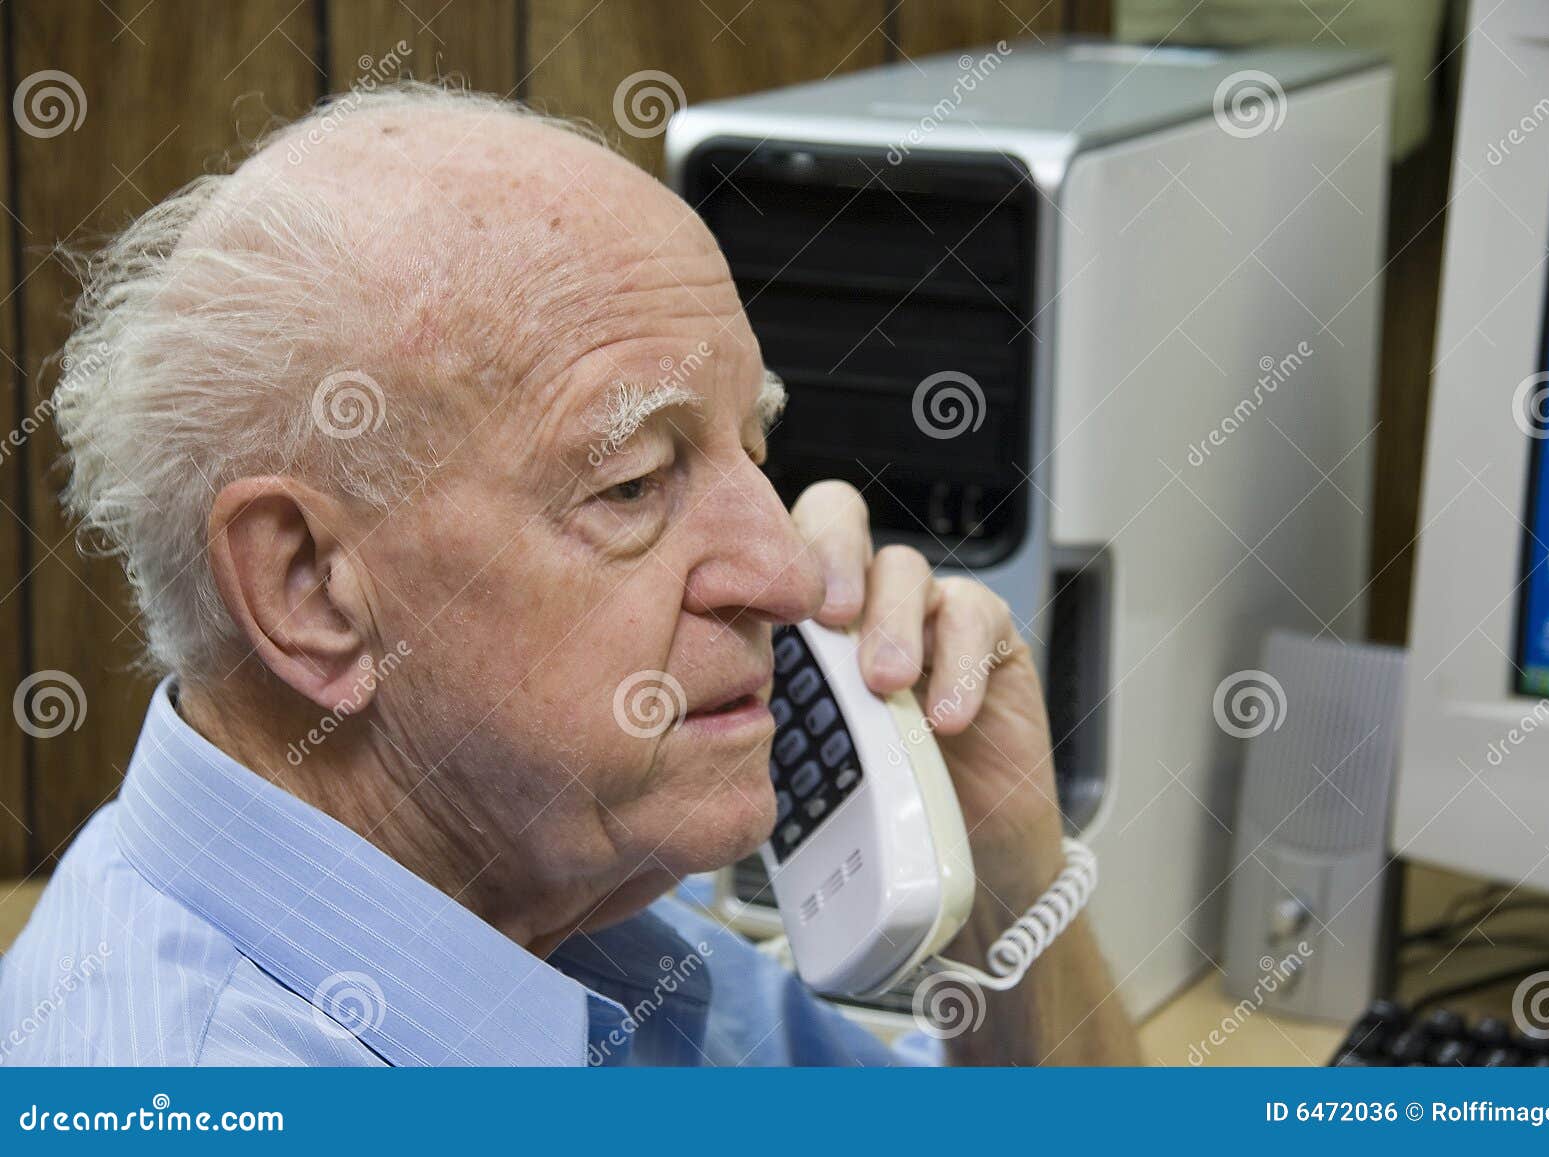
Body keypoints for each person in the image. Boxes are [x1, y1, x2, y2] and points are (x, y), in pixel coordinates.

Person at [0, 85, 1137, 1066]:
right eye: (633, 482)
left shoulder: (563, 878)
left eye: (754, 445)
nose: (788, 572)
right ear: (309, 590)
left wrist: (1003, 872)